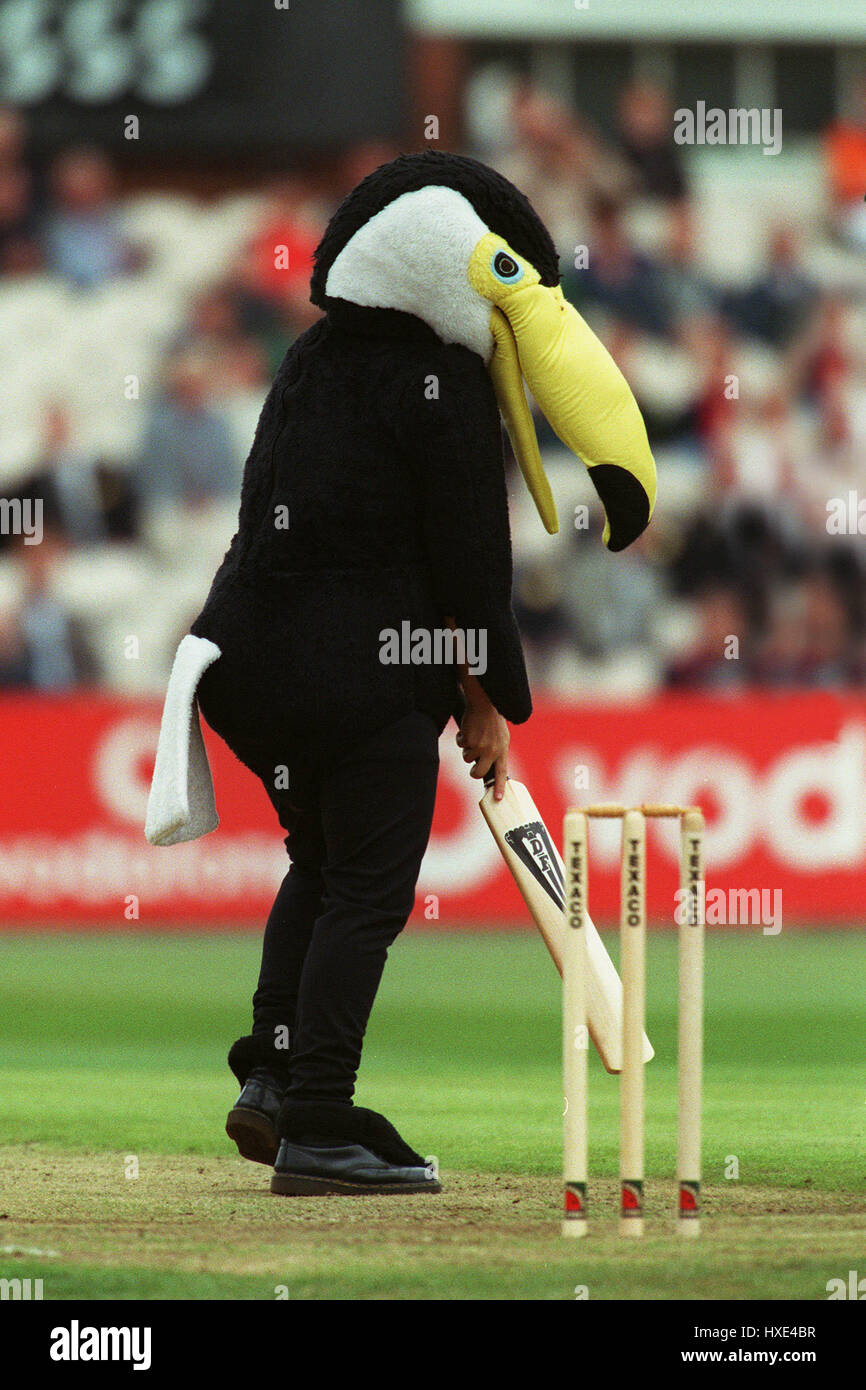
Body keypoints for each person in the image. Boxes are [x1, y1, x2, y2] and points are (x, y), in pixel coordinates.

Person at [149, 152, 656, 1196]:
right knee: (369, 890)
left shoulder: (308, 357)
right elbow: (470, 557)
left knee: (320, 862)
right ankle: (321, 1122)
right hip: (357, 668)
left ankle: (276, 1080)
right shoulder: (443, 382)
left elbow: (274, 513)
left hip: (241, 657)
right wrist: (489, 697)